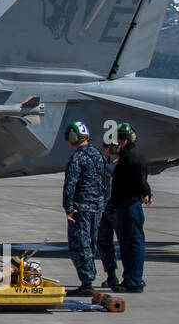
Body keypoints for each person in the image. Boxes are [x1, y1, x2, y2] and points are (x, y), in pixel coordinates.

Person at [61, 120, 106, 296]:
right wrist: (102, 204)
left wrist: (68, 207)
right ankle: (88, 280)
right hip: (96, 207)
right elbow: (106, 183)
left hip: (80, 209)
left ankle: (87, 282)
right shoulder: (99, 155)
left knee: (80, 244)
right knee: (91, 243)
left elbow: (70, 185)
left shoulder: (78, 157)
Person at [109, 122, 152, 293]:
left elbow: (141, 180)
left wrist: (146, 194)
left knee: (134, 243)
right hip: (123, 205)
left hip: (130, 206)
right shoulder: (126, 155)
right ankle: (129, 279)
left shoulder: (133, 157)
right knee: (126, 244)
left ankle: (134, 281)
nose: (119, 141)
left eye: (121, 137)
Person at [97, 142, 122, 289]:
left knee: (122, 243)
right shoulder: (106, 165)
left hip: (115, 209)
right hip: (107, 209)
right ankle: (113, 276)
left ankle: (127, 276)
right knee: (105, 243)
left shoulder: (119, 167)